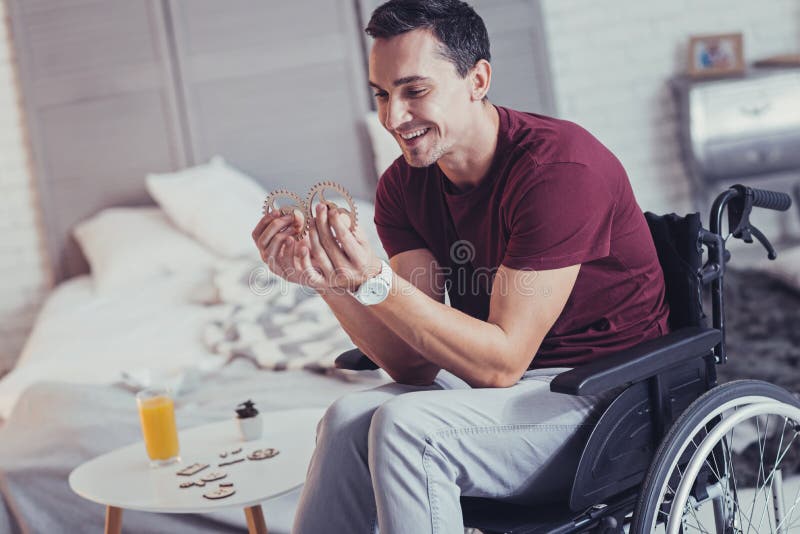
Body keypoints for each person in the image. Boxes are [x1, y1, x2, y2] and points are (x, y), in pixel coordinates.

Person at [250, 1, 669, 532]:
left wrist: (373, 279)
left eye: (414, 90)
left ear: (477, 79)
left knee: (407, 428)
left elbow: (502, 362)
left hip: (605, 398)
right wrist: (332, 284)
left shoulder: (558, 170)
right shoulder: (403, 186)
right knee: (347, 418)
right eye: (382, 94)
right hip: (505, 396)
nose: (392, 117)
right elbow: (413, 364)